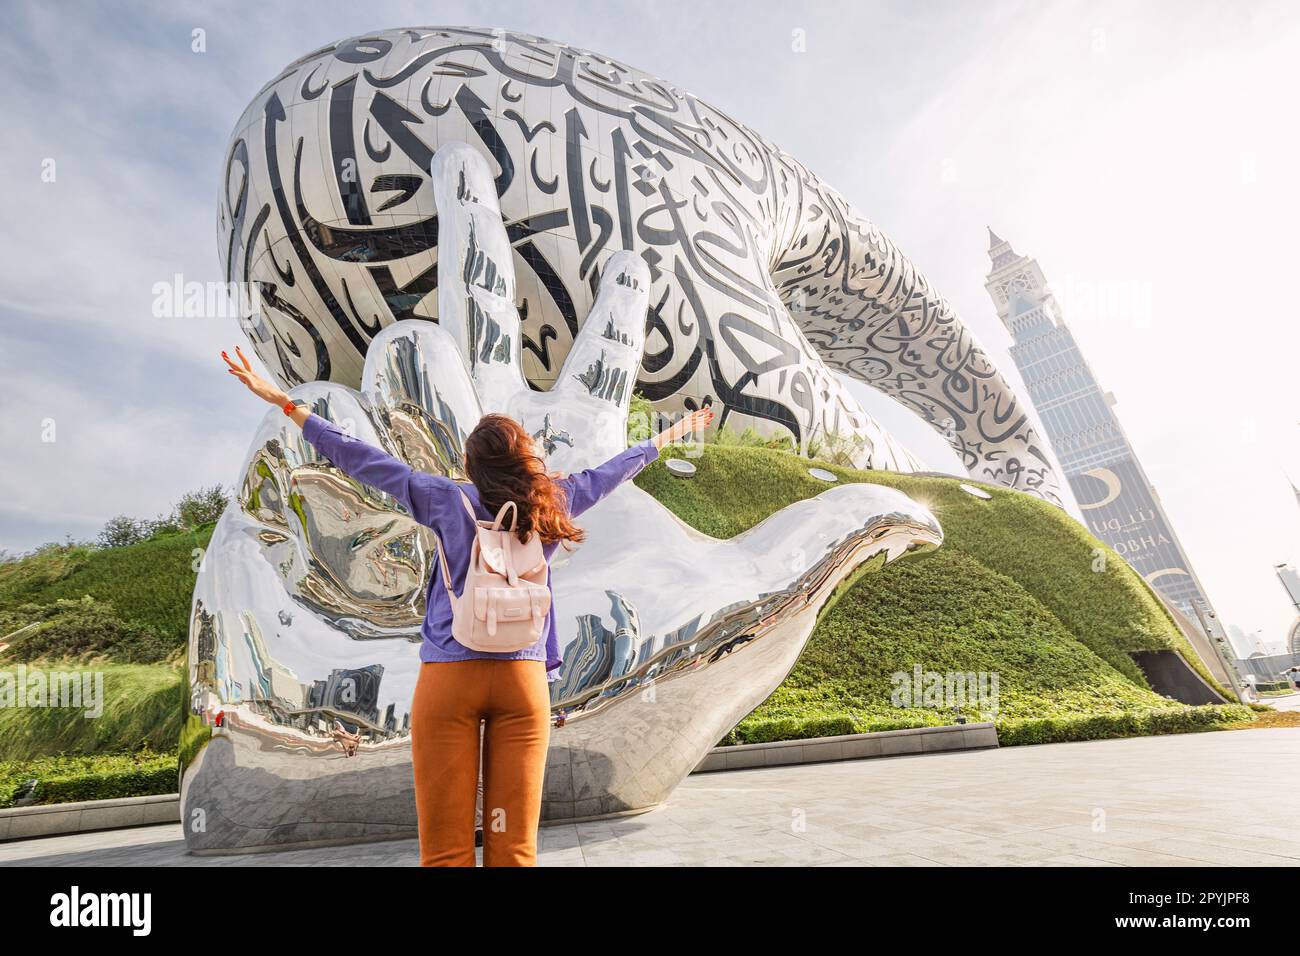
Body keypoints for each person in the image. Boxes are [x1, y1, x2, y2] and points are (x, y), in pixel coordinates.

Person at [222, 346, 713, 866]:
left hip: (451, 678)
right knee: (515, 848)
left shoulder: (442, 497)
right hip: (524, 681)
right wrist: (670, 436)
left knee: (446, 850)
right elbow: (614, 470)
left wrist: (287, 404)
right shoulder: (553, 501)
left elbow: (362, 459)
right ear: (523, 457)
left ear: (470, 463)